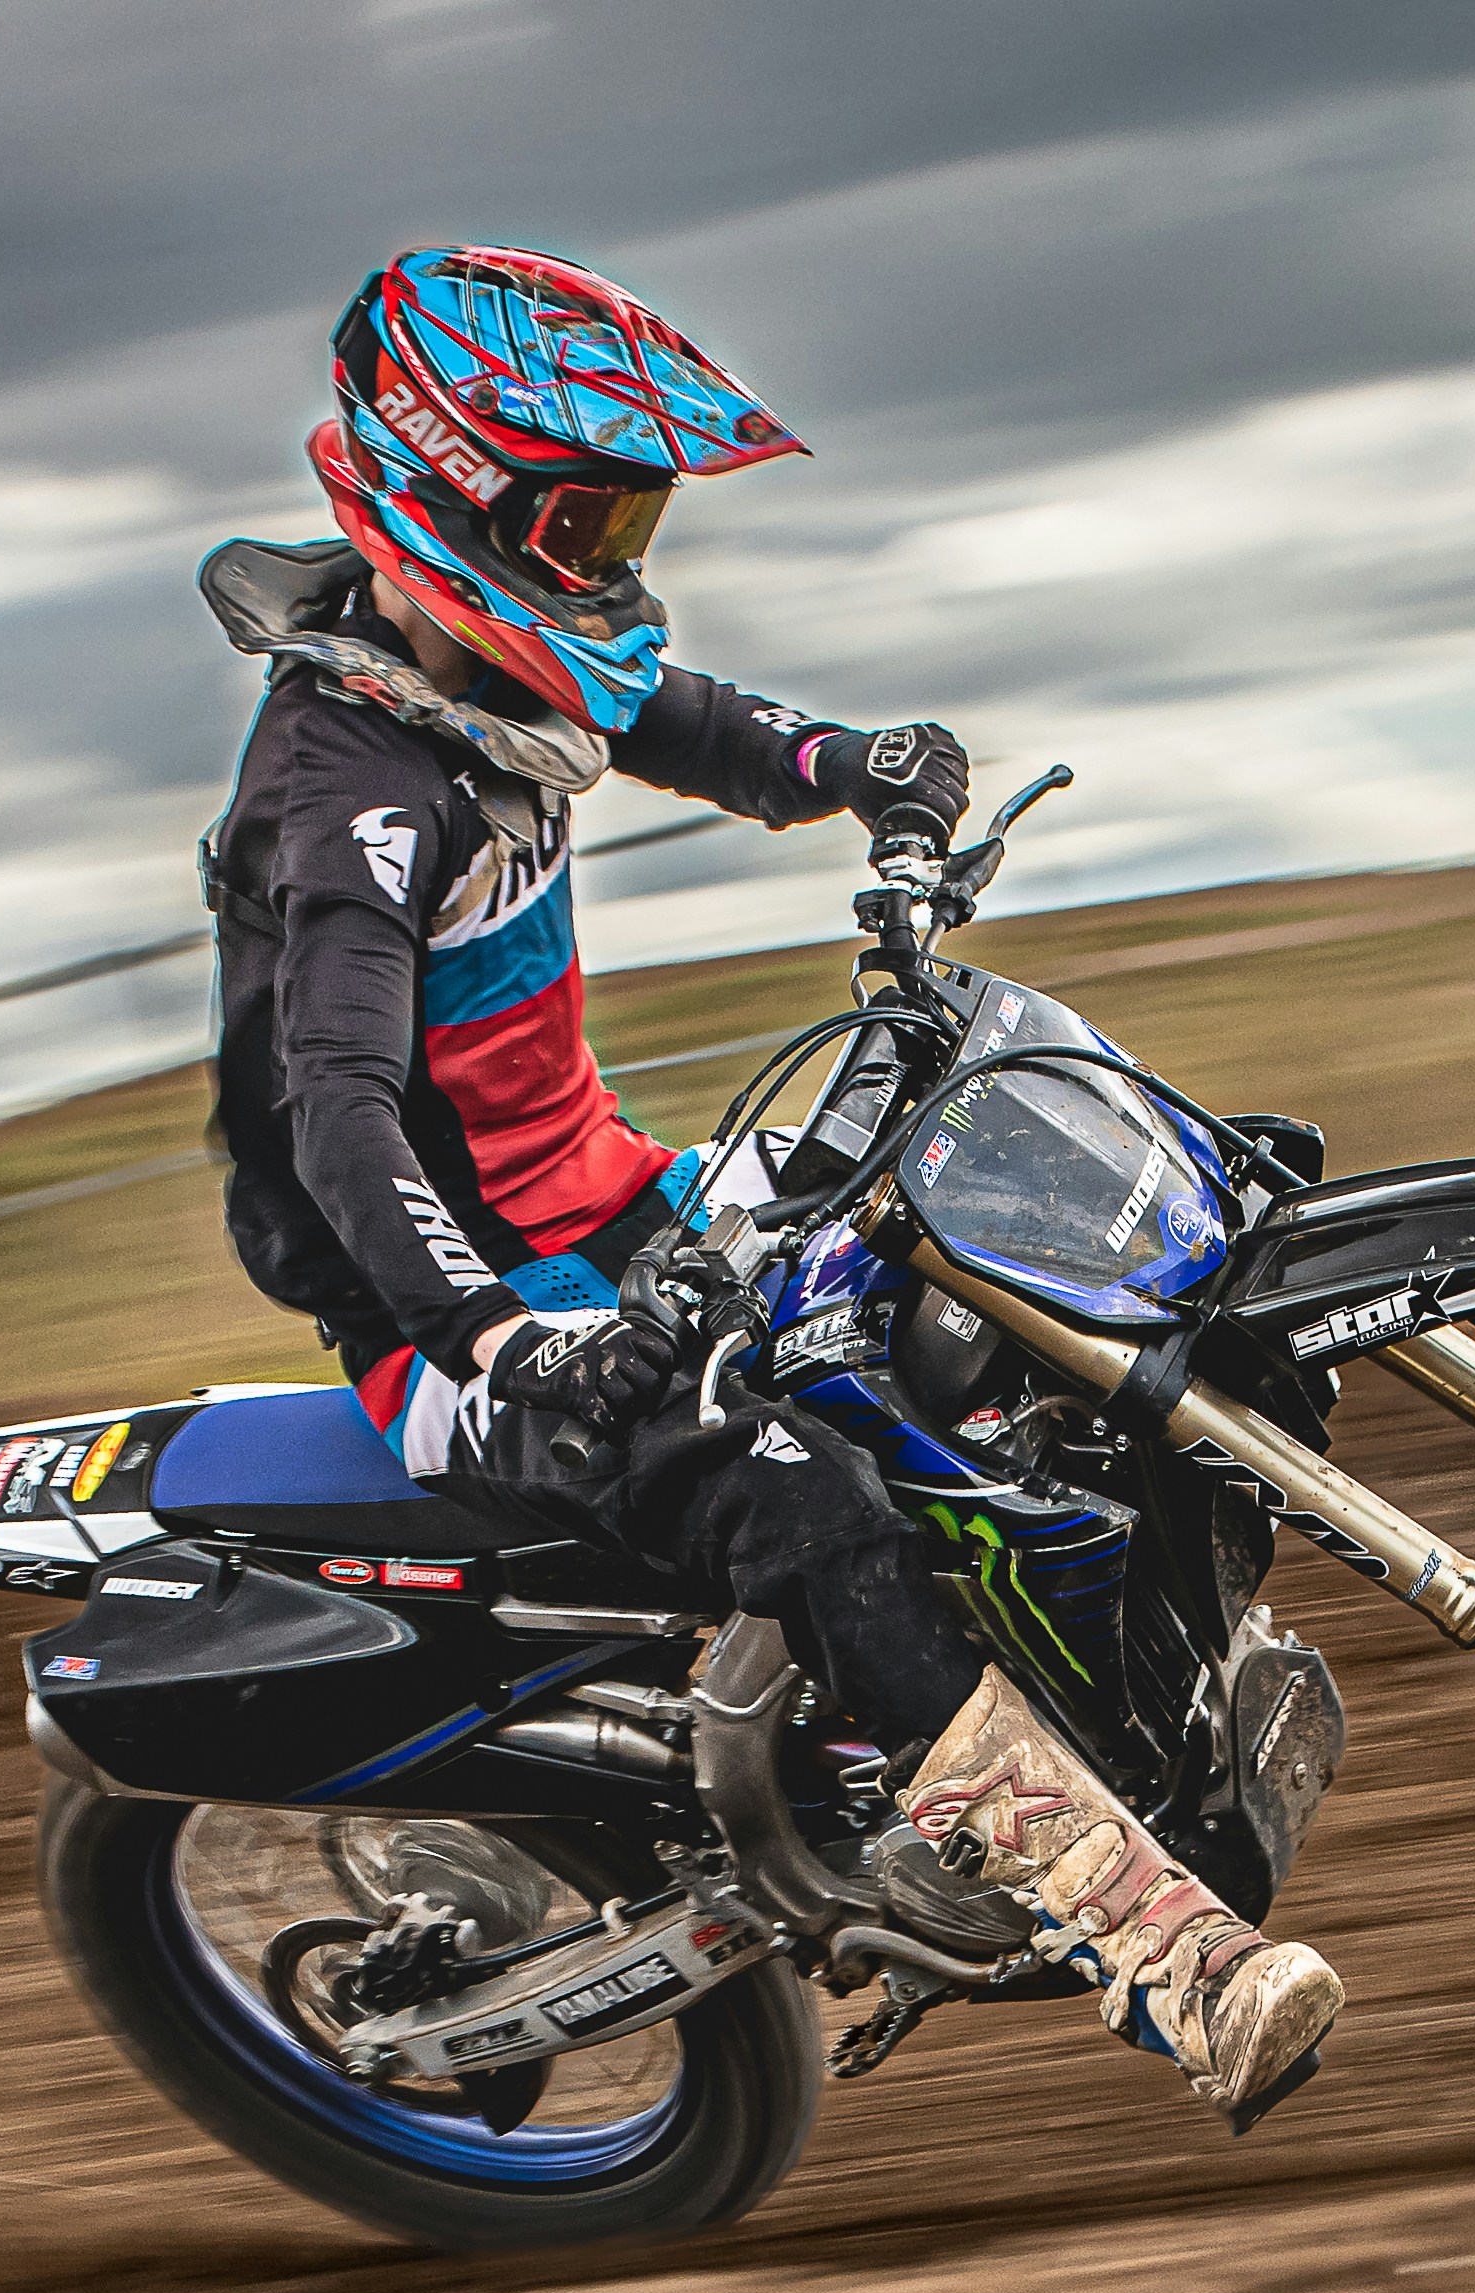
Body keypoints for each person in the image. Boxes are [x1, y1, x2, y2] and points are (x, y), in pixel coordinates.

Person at [194, 246, 1342, 2131]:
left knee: (963, 1290)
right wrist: (492, 1336)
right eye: (584, 519)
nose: (616, 562)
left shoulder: (475, 668)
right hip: (459, 1311)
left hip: (607, 1196)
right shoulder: (347, 793)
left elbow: (701, 727)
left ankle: (1104, 1698)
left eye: (627, 516)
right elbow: (335, 1113)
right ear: (447, 489)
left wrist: (861, 769)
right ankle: (1161, 1954)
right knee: (805, 1498)